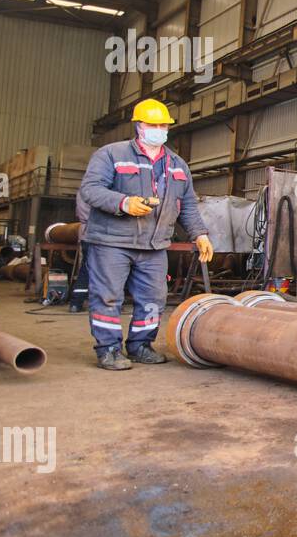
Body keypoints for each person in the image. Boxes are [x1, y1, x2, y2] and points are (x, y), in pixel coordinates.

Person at [78, 99, 213, 370]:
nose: (159, 129)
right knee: (108, 295)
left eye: (163, 125)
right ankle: (108, 349)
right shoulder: (111, 154)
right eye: (153, 124)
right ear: (139, 126)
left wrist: (200, 234)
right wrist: (123, 203)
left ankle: (140, 345)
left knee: (154, 297)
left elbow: (186, 204)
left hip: (154, 244)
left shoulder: (177, 164)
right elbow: (90, 189)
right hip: (111, 242)